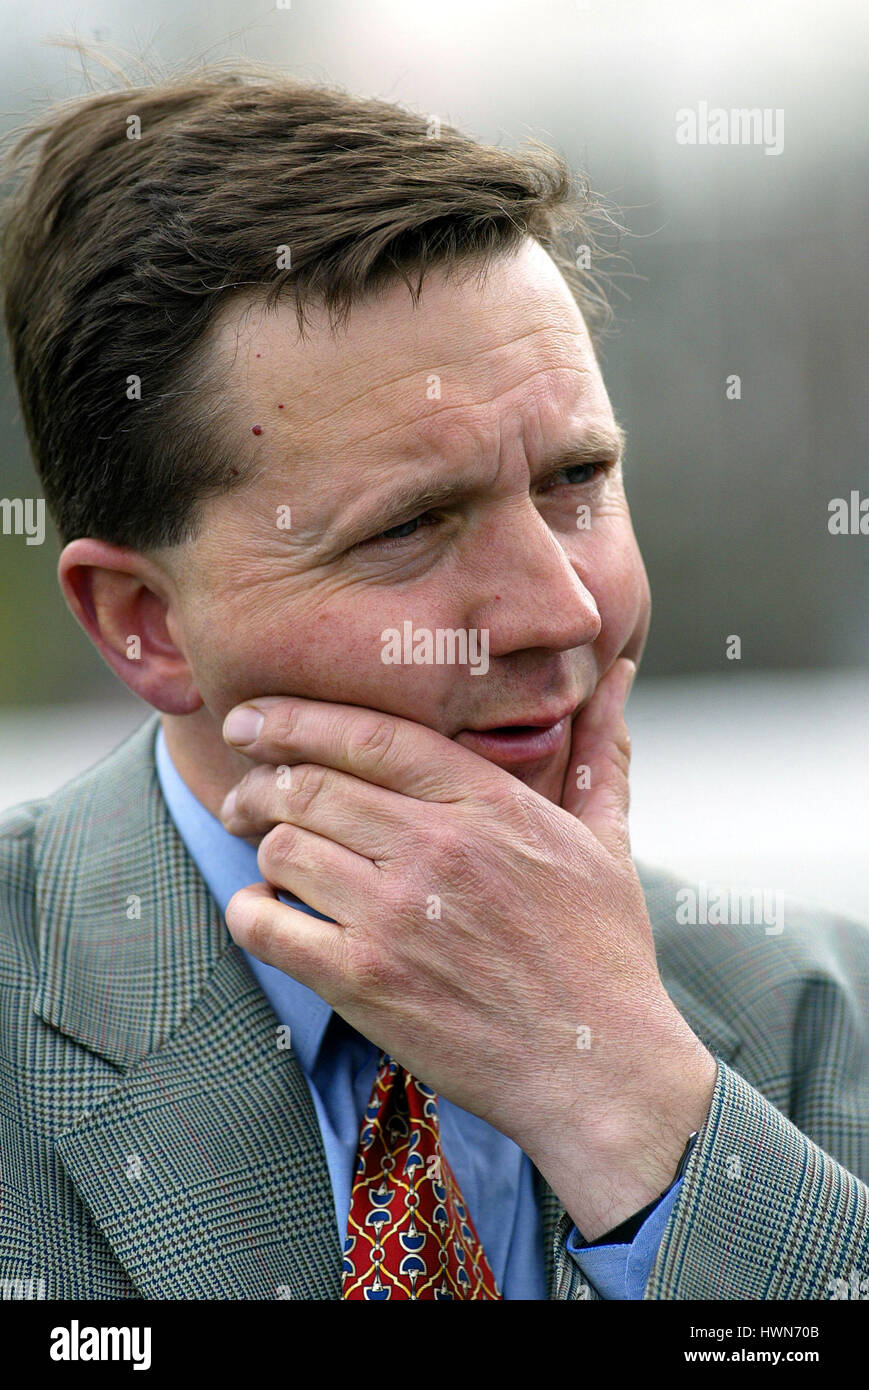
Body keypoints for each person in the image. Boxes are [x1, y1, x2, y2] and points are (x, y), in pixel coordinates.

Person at [0, 65, 866, 1301]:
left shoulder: (821, 1016)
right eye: (410, 525)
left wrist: (629, 1107)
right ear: (145, 625)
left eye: (574, 480)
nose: (563, 610)